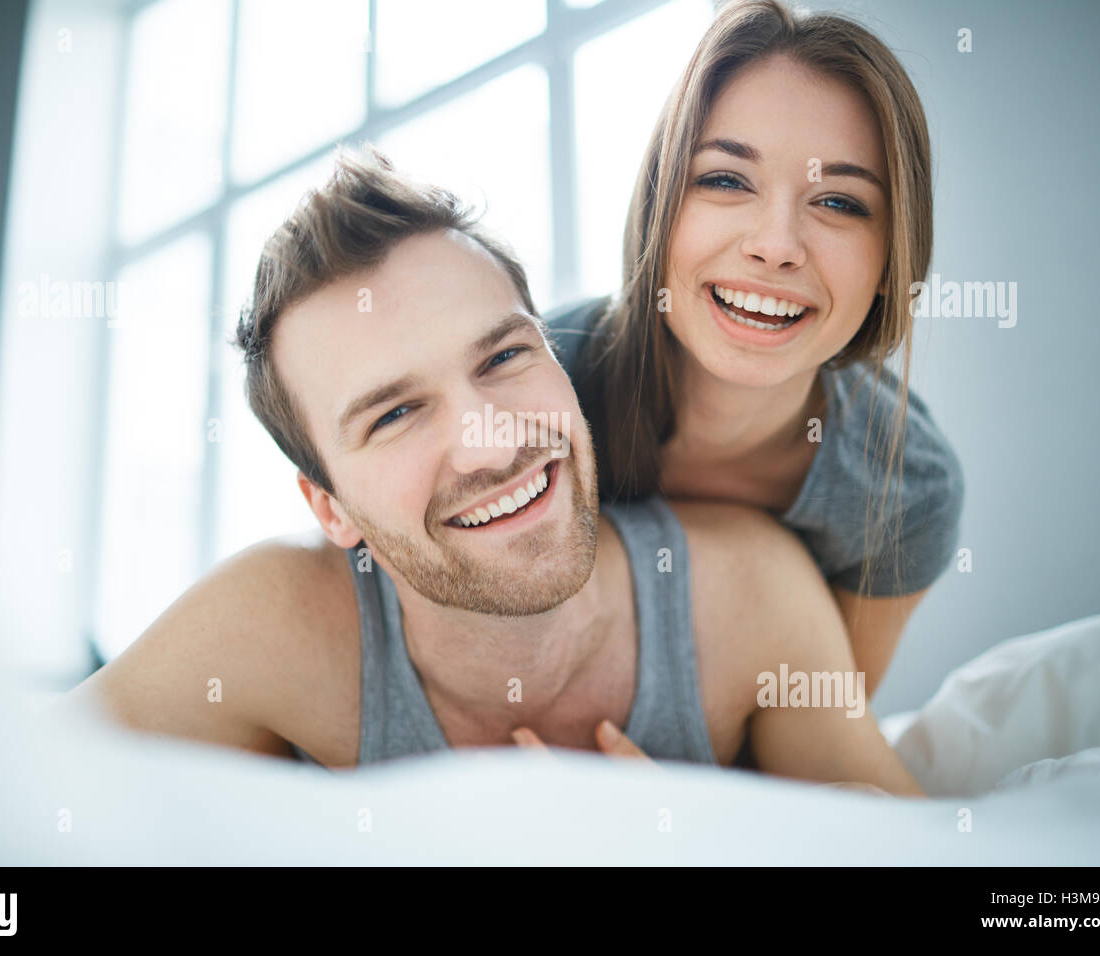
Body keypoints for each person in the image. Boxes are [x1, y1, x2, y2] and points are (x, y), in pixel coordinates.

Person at [61, 149, 922, 796]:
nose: (488, 441)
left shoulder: (745, 595)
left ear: (557, 356)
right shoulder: (268, 631)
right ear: (330, 508)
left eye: (506, 357)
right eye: (394, 414)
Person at [546, 0, 964, 697]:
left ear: (894, 260)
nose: (775, 246)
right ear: (659, 207)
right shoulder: (539, 388)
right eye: (725, 180)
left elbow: (813, 745)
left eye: (838, 202)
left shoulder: (906, 494)